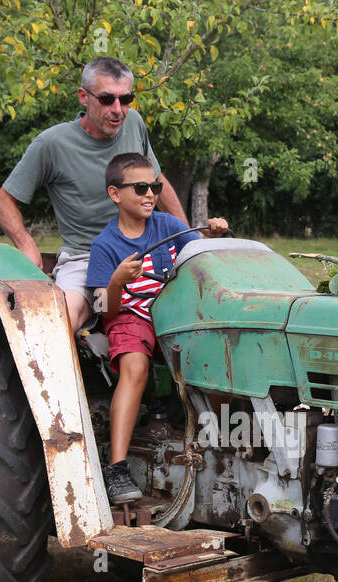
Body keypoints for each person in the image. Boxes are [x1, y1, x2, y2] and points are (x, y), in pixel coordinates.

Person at [0, 57, 188, 333]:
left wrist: (188, 240)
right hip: (86, 259)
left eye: (126, 99)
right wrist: (27, 245)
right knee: (60, 322)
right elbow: (3, 200)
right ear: (84, 97)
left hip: (150, 250)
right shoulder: (52, 144)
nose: (118, 110)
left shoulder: (134, 123)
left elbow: (156, 179)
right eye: (107, 99)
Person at [86, 153, 228, 503]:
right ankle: (117, 468)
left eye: (155, 186)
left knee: (219, 353)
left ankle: (224, 441)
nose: (150, 194)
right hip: (130, 316)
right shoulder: (105, 245)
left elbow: (199, 256)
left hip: (171, 313)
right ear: (115, 194)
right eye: (140, 188)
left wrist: (212, 235)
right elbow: (105, 307)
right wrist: (117, 281)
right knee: (135, 365)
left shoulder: (168, 226)